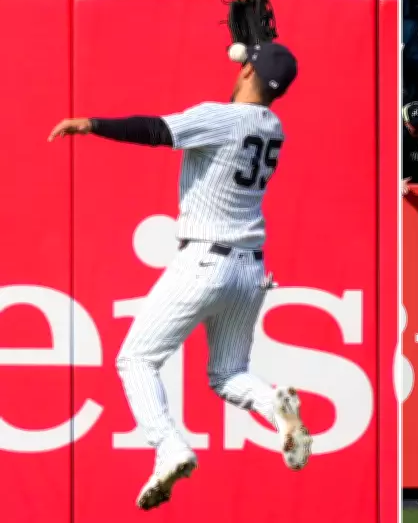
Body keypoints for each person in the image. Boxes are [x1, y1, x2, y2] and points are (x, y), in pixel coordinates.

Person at [46, 42, 312, 510]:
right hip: (249, 269)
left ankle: (169, 447)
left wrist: (92, 124)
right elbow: (250, 99)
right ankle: (277, 408)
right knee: (228, 374)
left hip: (204, 262)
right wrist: (256, 59)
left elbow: (155, 130)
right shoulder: (274, 126)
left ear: (248, 68)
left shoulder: (223, 117)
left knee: (135, 360)